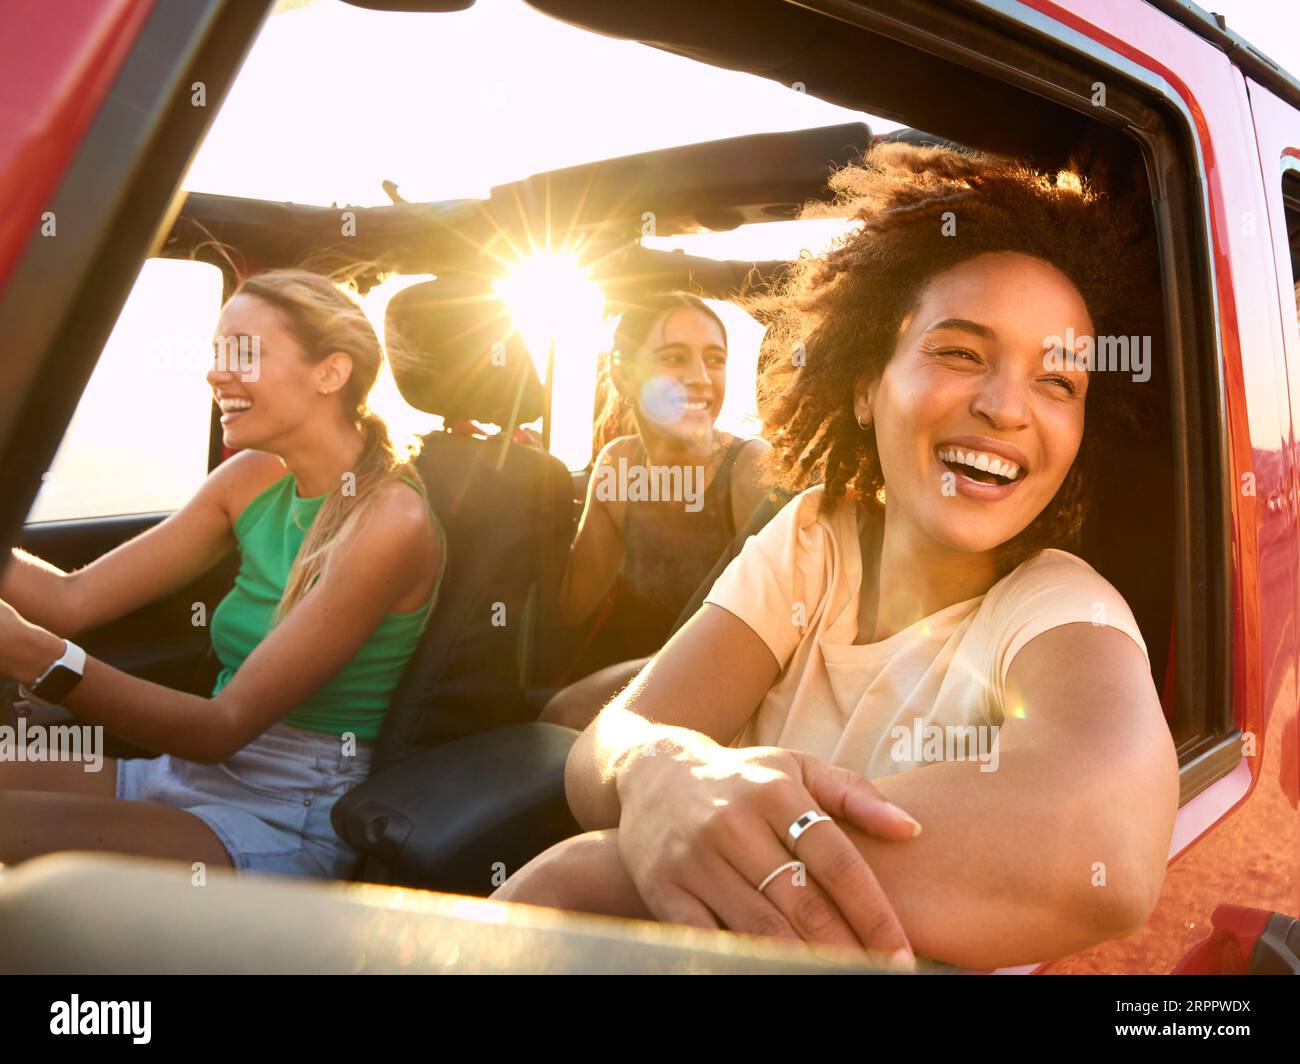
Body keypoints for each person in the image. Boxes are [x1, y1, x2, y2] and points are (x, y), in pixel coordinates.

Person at [495, 143, 1180, 971]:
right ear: (865, 384)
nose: (1005, 407)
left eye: (1059, 382)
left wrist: (612, 867)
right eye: (961, 353)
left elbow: (1105, 854)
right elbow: (611, 743)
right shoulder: (813, 538)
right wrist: (655, 766)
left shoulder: (1064, 607)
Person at [0, 268, 445, 879]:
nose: (215, 373)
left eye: (242, 352)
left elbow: (220, 727)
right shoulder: (253, 476)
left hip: (289, 809)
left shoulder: (392, 519)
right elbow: (68, 598)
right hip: (182, 772)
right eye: (216, 354)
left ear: (330, 373)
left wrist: (35, 656)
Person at [538, 293, 770, 729]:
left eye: (715, 360)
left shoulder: (748, 468)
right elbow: (571, 608)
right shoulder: (618, 464)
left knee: (563, 718)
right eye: (675, 358)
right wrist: (527, 486)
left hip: (725, 678)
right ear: (623, 374)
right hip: (639, 670)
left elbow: (769, 631)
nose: (701, 379)